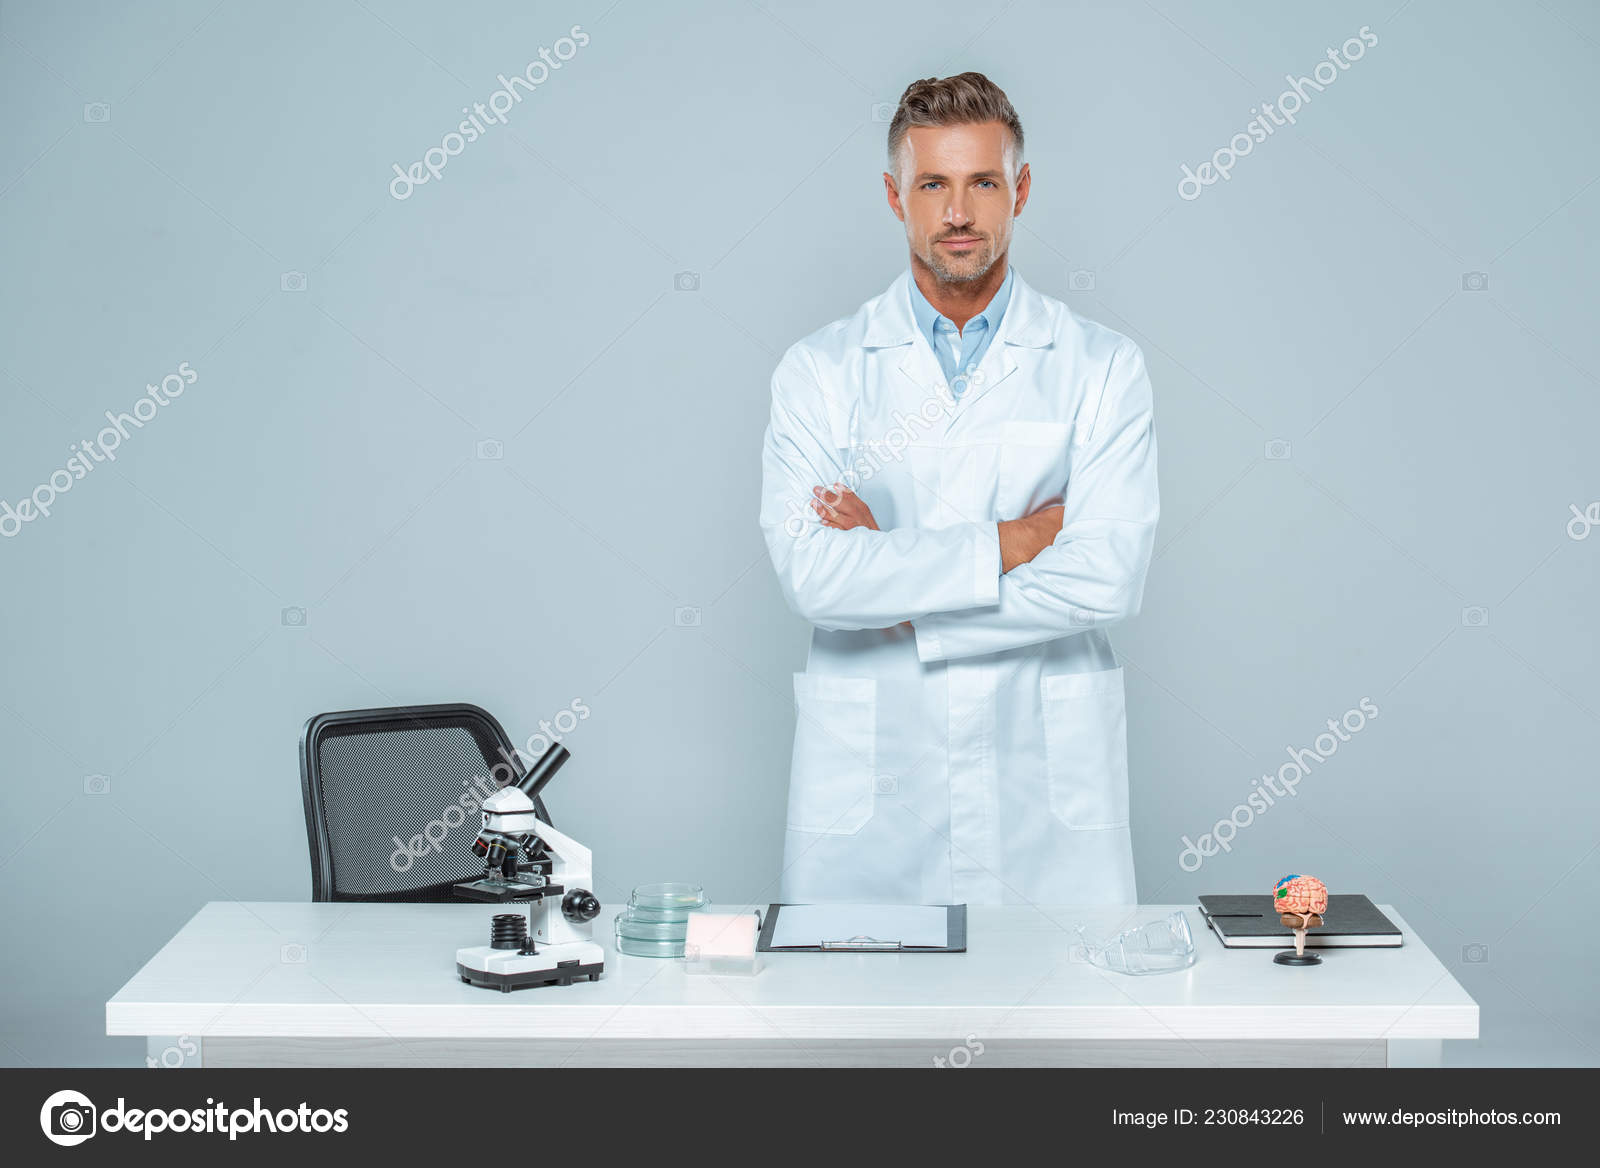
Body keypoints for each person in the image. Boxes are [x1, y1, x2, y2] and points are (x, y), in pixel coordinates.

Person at [759, 72, 1159, 905]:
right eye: (933, 185)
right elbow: (815, 579)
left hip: (1038, 769)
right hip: (877, 778)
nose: (958, 213)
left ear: (1020, 190)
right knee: (856, 980)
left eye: (982, 182)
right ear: (894, 196)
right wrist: (1018, 541)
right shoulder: (820, 370)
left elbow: (1106, 578)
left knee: (1059, 983)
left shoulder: (1101, 366)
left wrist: (898, 590)